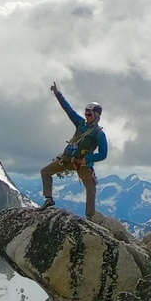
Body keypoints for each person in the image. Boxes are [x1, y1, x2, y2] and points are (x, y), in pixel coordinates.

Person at [40, 83, 107, 219]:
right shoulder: (80, 123)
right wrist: (58, 95)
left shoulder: (99, 134)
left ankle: (90, 216)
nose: (87, 115)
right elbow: (68, 110)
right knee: (45, 172)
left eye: (89, 114)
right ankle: (48, 199)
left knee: (91, 188)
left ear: (96, 115)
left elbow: (103, 154)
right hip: (67, 159)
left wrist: (88, 159)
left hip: (81, 163)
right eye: (86, 113)